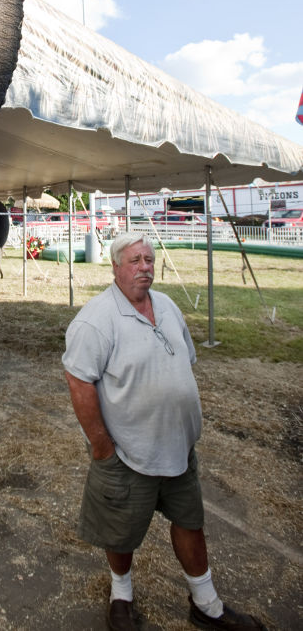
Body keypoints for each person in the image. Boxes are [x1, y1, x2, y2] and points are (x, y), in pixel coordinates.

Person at [62, 232, 267, 631]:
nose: (145, 268)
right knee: (120, 532)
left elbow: (184, 360)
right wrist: (102, 447)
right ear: (116, 267)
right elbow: (78, 380)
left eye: (149, 260)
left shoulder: (168, 306)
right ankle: (121, 595)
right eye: (135, 261)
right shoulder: (95, 319)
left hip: (178, 447)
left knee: (190, 521)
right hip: (128, 453)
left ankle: (206, 604)